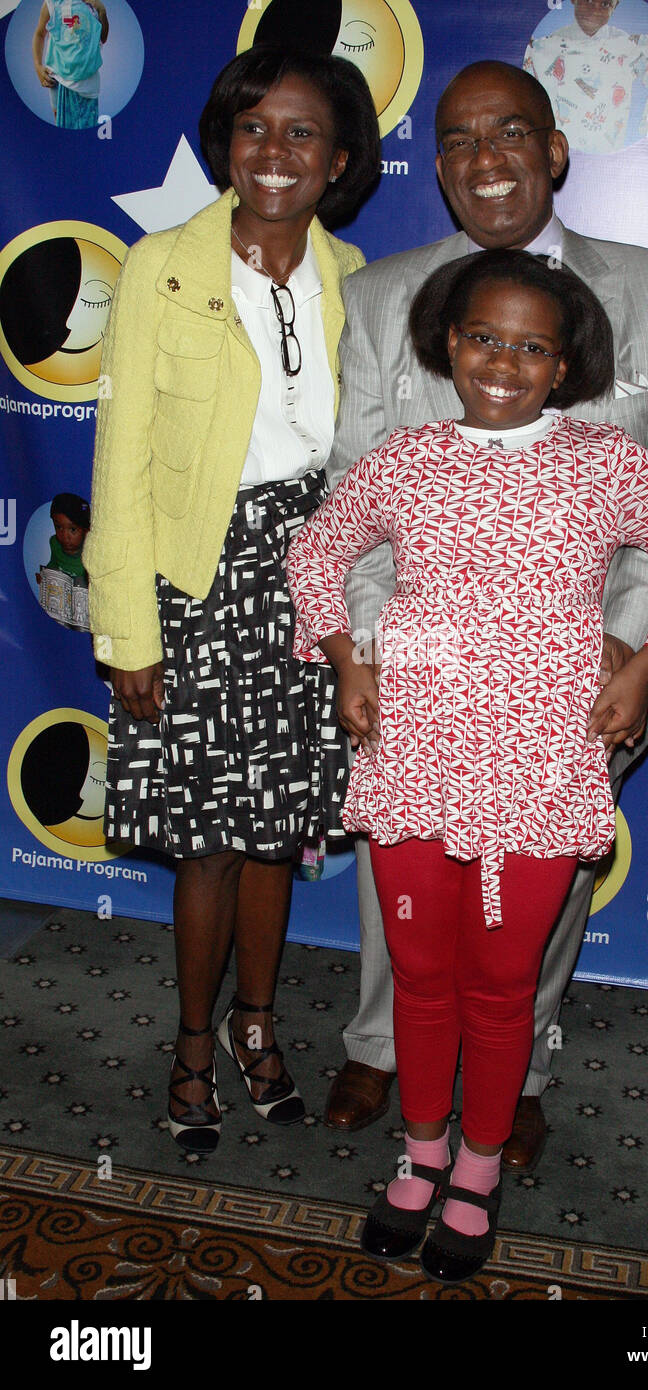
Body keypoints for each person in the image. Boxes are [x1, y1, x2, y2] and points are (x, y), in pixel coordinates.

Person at [286, 249, 648, 1282]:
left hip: (542, 761)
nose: (504, 360)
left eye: (532, 345)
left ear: (563, 361)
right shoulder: (402, 458)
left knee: (498, 989)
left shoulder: (607, 462)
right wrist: (348, 660)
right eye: (484, 336)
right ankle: (422, 1152)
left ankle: (478, 1170)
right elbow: (319, 551)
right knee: (420, 978)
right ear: (448, 341)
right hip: (413, 751)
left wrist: (642, 671)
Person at [323, 58, 648, 1173]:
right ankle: (384, 1047)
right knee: (398, 860)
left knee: (540, 889)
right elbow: (355, 500)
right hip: (422, 673)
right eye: (455, 139)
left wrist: (621, 648)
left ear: (552, 149)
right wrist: (372, 651)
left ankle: (519, 1065)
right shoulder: (381, 295)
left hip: (578, 667)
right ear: (434, 164)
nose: (483, 158)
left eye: (508, 133)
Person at [83, 46, 379, 1154]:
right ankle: (194, 1044)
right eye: (253, 128)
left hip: (315, 578)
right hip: (195, 580)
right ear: (226, 143)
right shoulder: (160, 267)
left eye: (301, 133)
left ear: (339, 159)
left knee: (278, 832)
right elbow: (120, 467)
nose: (274, 151)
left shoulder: (360, 279)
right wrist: (127, 629)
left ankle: (260, 1027)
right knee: (204, 841)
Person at [523, 0, 648, 155]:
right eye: (589, 0)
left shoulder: (625, 44)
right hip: (563, 147)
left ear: (614, 8)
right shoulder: (550, 45)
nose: (595, 9)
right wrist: (530, 50)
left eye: (605, 4)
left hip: (605, 149)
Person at [32, 0, 109, 131]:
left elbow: (103, 37)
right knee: (62, 129)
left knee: (87, 130)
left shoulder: (93, 4)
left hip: (87, 80)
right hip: (58, 77)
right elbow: (39, 33)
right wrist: (37, 65)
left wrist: (102, 11)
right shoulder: (51, 4)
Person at [40, 493, 90, 582]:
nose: (64, 536)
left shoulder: (91, 553)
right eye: (58, 527)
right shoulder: (55, 543)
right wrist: (44, 576)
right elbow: (53, 564)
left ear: (86, 530)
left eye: (73, 530)